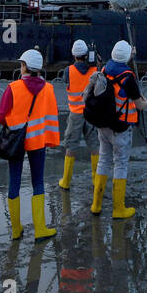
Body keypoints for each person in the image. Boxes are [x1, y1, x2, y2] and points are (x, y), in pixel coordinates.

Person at [0, 49, 61, 240]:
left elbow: (2, 117)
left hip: (16, 142)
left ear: (24, 67)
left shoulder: (13, 88)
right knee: (38, 182)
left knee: (14, 182)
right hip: (38, 141)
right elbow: (51, 114)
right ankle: (41, 229)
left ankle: (16, 230)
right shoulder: (49, 89)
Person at [94, 40, 146, 218]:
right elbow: (138, 103)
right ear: (126, 57)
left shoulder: (103, 71)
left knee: (103, 161)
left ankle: (96, 204)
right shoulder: (128, 77)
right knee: (121, 164)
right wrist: (145, 102)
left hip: (103, 125)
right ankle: (118, 209)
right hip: (121, 127)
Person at [58, 39, 99, 190]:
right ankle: (96, 180)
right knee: (95, 145)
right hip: (91, 113)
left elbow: (65, 82)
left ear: (74, 55)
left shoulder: (68, 71)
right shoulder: (94, 70)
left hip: (75, 114)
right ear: (87, 54)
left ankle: (66, 181)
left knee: (71, 145)